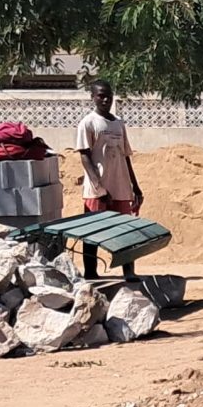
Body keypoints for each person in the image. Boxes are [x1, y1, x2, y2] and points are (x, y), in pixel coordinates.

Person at [74, 79, 140, 279]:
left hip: (120, 188)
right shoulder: (88, 123)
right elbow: (85, 156)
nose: (105, 99)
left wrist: (135, 187)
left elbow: (126, 157)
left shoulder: (119, 124)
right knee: (93, 232)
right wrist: (99, 187)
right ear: (93, 97)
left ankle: (128, 272)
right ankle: (91, 273)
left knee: (125, 232)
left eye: (108, 95)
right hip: (98, 191)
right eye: (101, 95)